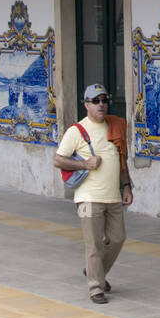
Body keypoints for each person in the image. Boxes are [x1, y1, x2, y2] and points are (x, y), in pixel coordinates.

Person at [53, 84, 133, 304]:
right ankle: (96, 287)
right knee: (94, 243)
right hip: (88, 197)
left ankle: (94, 271)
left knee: (117, 238)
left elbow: (121, 159)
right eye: (96, 101)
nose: (101, 105)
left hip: (113, 196)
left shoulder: (115, 126)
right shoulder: (76, 131)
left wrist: (126, 186)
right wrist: (86, 164)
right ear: (86, 104)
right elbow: (58, 160)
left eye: (104, 100)